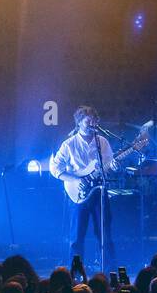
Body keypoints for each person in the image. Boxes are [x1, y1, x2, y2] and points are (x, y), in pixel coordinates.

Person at [49, 105, 118, 271]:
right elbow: (55, 168)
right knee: (77, 237)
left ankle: (109, 272)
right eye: (88, 120)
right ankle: (75, 273)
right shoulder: (69, 144)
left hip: (99, 192)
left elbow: (109, 164)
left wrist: (114, 166)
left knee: (104, 235)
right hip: (78, 195)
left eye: (95, 120)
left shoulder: (102, 142)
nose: (92, 123)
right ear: (79, 122)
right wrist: (75, 179)